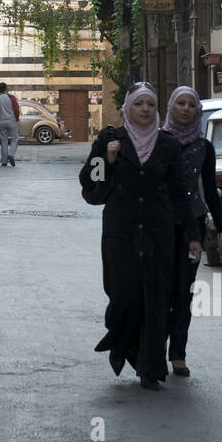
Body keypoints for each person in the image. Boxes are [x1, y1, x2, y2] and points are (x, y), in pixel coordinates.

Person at [79, 83, 201, 390]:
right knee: (125, 296)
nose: (145, 109)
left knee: (157, 300)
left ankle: (150, 367)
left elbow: (179, 192)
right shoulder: (111, 138)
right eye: (138, 104)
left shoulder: (167, 144)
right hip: (121, 233)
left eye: (150, 104)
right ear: (127, 109)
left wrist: (192, 234)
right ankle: (124, 343)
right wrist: (107, 160)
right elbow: (88, 180)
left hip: (158, 233)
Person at [162, 86, 222, 377]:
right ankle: (152, 347)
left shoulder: (204, 147)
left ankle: (178, 353)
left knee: (184, 290)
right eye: (181, 103)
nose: (186, 109)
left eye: (192, 104)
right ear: (171, 107)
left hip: (194, 227)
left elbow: (211, 193)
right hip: (161, 225)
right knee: (160, 290)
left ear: (197, 111)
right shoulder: (158, 142)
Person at [0, 82, 21, 166]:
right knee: (15, 138)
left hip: (2, 121)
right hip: (11, 120)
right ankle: (11, 154)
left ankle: (4, 161)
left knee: (4, 140)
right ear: (6, 88)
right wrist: (17, 118)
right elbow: (16, 109)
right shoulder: (11, 97)